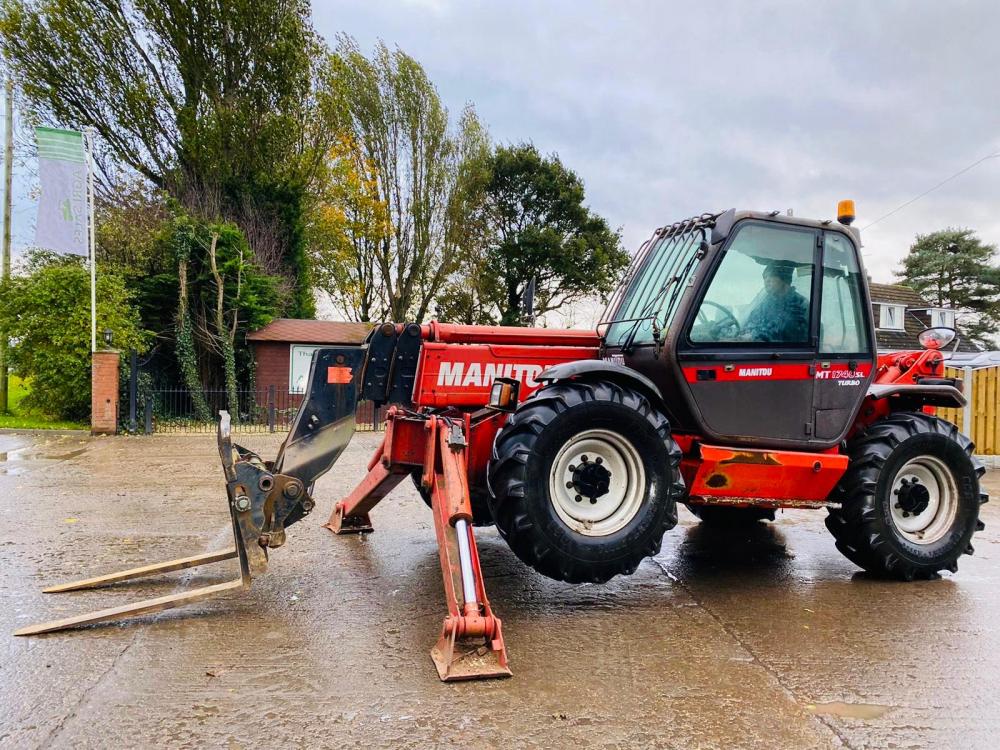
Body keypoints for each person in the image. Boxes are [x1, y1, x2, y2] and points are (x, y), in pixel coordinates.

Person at [742, 263, 809, 342]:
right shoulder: (765, 302)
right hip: (763, 348)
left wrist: (754, 336)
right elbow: (751, 321)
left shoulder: (799, 303)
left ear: (784, 279)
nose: (767, 280)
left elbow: (785, 329)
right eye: (765, 277)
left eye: (772, 276)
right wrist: (747, 332)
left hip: (783, 351)